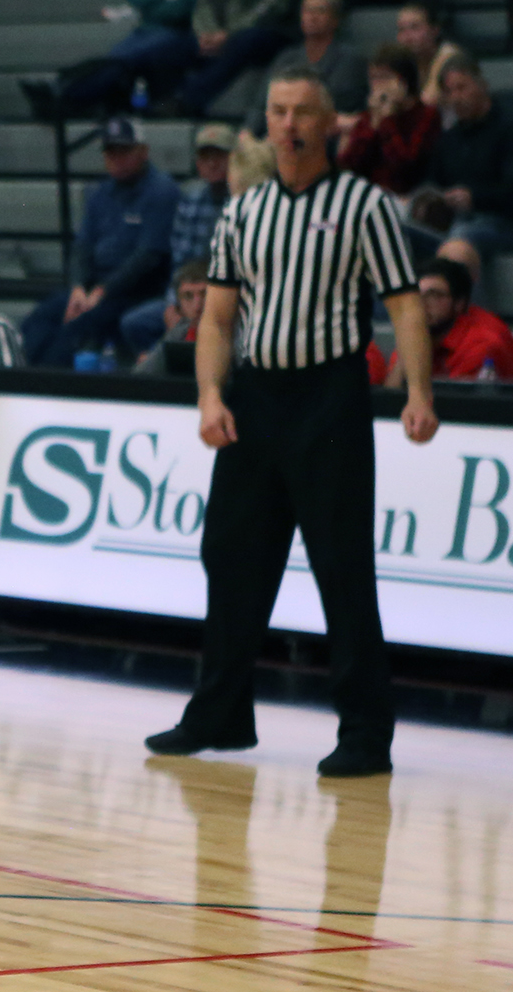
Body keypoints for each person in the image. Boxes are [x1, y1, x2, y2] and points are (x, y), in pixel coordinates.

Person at [146, 67, 438, 779]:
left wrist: (419, 391)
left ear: (329, 123)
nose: (288, 123)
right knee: (229, 554)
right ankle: (220, 714)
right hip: (255, 397)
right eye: (277, 111)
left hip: (330, 396)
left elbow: (404, 304)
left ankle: (365, 733)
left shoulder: (365, 204)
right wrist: (209, 396)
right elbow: (218, 318)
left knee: (342, 565)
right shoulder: (243, 212)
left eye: (302, 111)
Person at [22, 116, 181, 366]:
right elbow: (82, 246)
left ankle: (50, 384)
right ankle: (24, 377)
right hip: (94, 288)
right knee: (39, 319)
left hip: (137, 292)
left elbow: (147, 257)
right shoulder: (100, 193)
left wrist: (102, 291)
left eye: (124, 151)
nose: (116, 158)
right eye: (110, 152)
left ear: (143, 151)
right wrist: (78, 287)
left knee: (74, 330)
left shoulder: (162, 191)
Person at [122, 122, 234, 353]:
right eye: (206, 157)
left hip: (227, 299)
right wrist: (175, 302)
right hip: (190, 296)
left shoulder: (246, 203)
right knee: (134, 323)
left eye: (220, 156)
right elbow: (180, 262)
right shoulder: (190, 201)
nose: (212, 163)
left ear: (235, 160)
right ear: (197, 163)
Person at [57, 0, 204, 111]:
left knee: (124, 59)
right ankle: (75, 92)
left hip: (177, 32)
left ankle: (74, 96)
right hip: (145, 29)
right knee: (113, 60)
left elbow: (179, 11)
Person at [173, 0, 307, 116]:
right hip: (218, 31)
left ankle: (188, 99)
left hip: (272, 29)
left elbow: (275, 2)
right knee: (169, 47)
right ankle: (164, 102)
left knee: (246, 41)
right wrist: (207, 32)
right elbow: (204, 0)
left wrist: (229, 34)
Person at [244, 0, 364, 138]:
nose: (312, 17)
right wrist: (248, 132)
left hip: (325, 137)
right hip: (279, 135)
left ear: (335, 19)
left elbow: (338, 105)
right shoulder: (287, 58)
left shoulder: (349, 59)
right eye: (308, 11)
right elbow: (261, 103)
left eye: (320, 11)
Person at [370, 257, 513, 383]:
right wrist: (405, 357)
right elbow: (391, 395)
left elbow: (457, 402)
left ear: (459, 304)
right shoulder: (416, 330)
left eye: (434, 295)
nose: (421, 304)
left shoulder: (482, 344)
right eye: (416, 295)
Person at [426, 56, 513, 254]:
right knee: (407, 232)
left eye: (461, 88)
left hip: (501, 221)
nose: (455, 97)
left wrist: (474, 198)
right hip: (456, 219)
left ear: (482, 86)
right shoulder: (449, 138)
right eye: (449, 92)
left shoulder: (507, 129)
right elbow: (433, 180)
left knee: (460, 237)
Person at [337, 42, 439, 197]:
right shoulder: (371, 115)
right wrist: (373, 126)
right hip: (369, 194)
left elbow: (405, 168)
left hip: (410, 195)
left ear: (404, 81)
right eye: (373, 78)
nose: (378, 86)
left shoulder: (427, 115)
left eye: (384, 77)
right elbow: (349, 166)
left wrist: (387, 120)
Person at [133, 259, 209, 373]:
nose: (197, 305)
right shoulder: (180, 330)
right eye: (188, 296)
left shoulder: (233, 335)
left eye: (205, 294)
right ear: (178, 305)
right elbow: (142, 373)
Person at [396, 1, 462, 108]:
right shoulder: (403, 60)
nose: (407, 37)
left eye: (414, 28)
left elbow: (429, 101)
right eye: (401, 29)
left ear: (435, 30)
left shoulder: (451, 57)